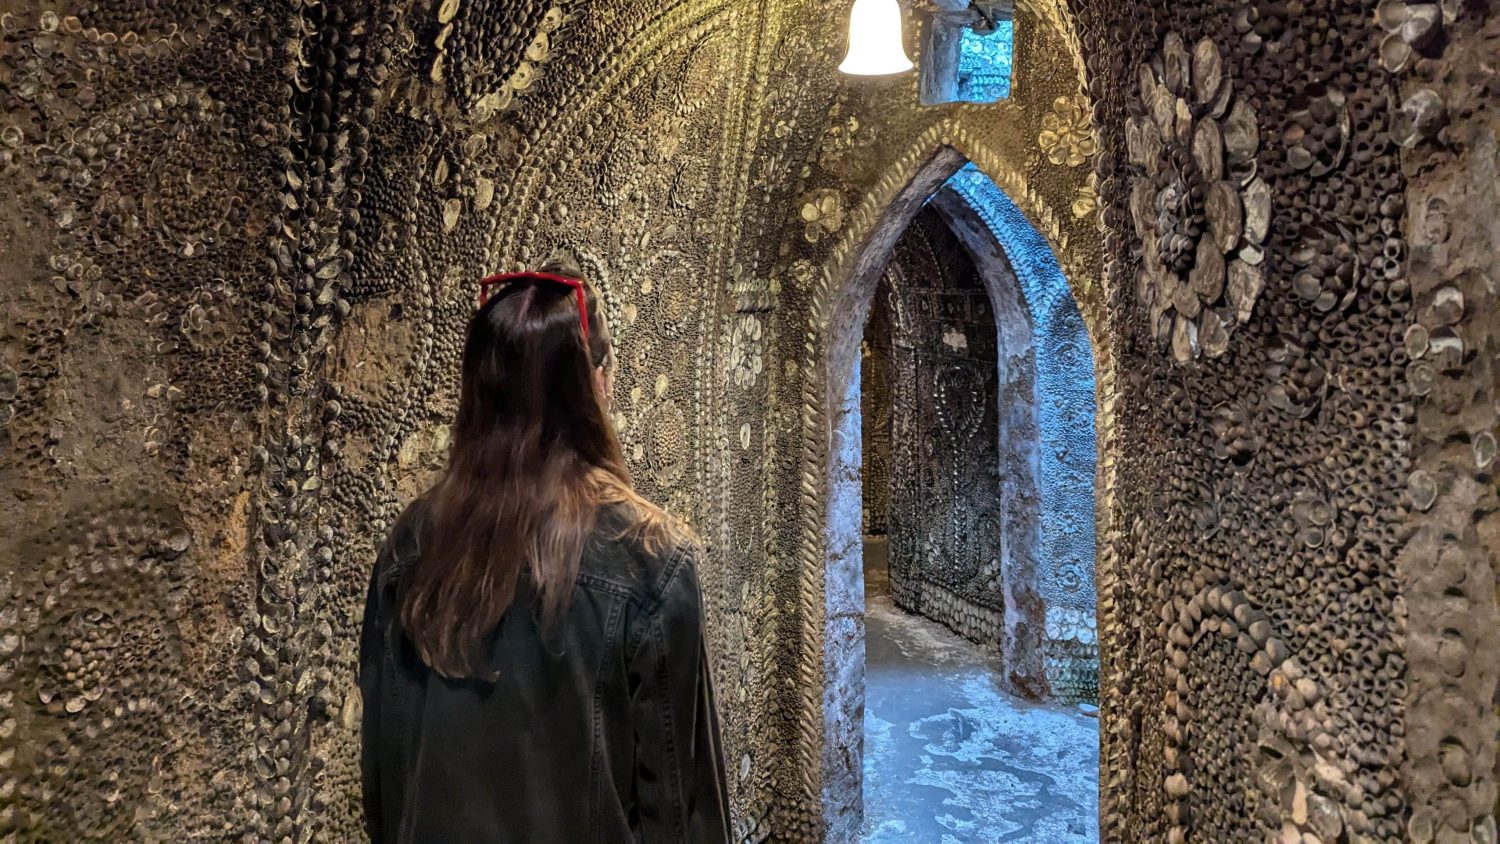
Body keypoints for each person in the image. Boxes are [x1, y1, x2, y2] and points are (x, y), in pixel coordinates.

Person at [358, 262, 730, 843]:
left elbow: (385, 777)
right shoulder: (651, 558)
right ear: (596, 381)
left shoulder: (409, 545)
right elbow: (682, 810)